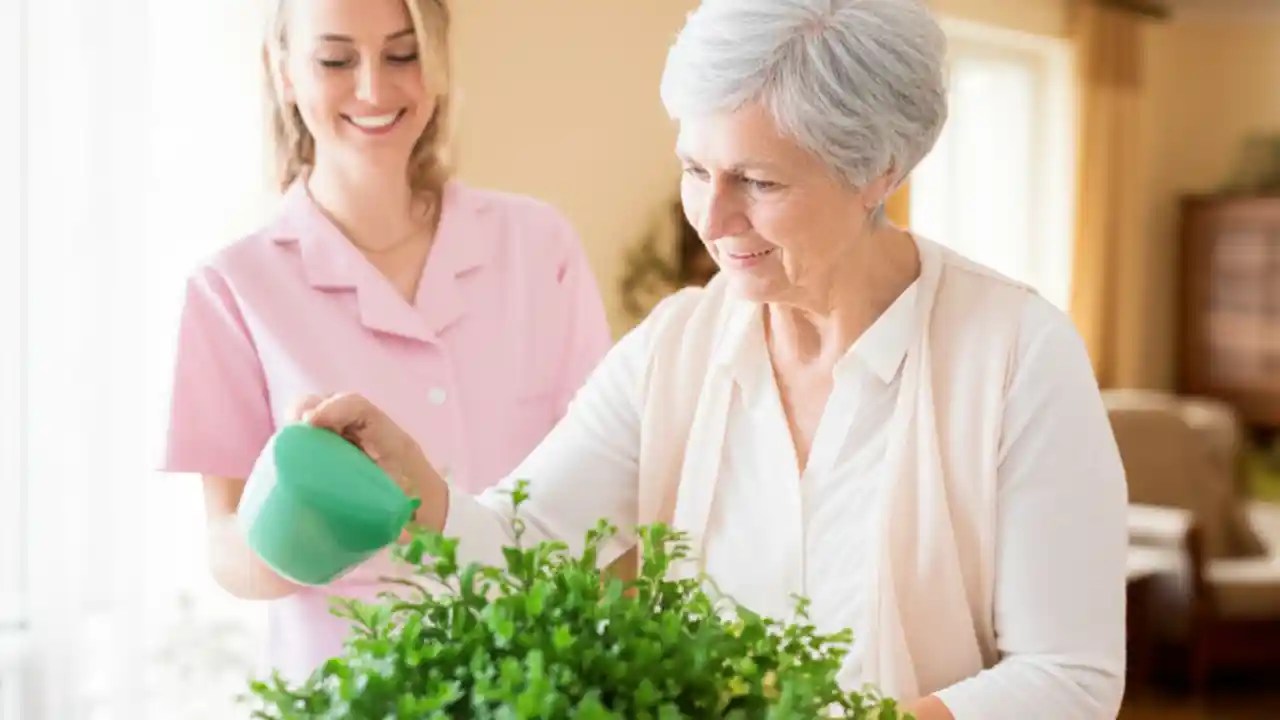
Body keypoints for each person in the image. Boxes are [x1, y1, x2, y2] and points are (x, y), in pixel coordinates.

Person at [295, 0, 1129, 717]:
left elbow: (1069, 677)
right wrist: (417, 486)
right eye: (696, 169)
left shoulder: (1017, 355)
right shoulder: (676, 348)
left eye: (759, 182)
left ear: (879, 171)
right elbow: (525, 545)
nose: (713, 218)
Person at [160, 0, 611, 682]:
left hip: (532, 679)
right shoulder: (233, 287)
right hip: (350, 687)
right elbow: (225, 545)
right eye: (335, 59)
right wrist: (304, 517)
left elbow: (604, 489)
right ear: (283, 72)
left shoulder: (538, 246)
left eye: (402, 54)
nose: (373, 89)